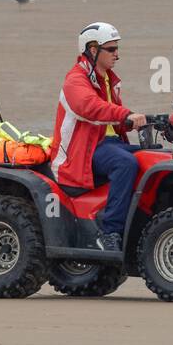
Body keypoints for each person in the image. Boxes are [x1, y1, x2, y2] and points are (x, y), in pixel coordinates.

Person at [49, 22, 147, 252]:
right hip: (83, 151)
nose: (117, 55)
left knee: (154, 158)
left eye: (116, 49)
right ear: (93, 50)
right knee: (126, 164)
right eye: (111, 50)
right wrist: (126, 115)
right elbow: (89, 107)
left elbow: (113, 119)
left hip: (108, 144)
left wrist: (165, 120)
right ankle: (110, 233)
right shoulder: (75, 80)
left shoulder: (107, 79)